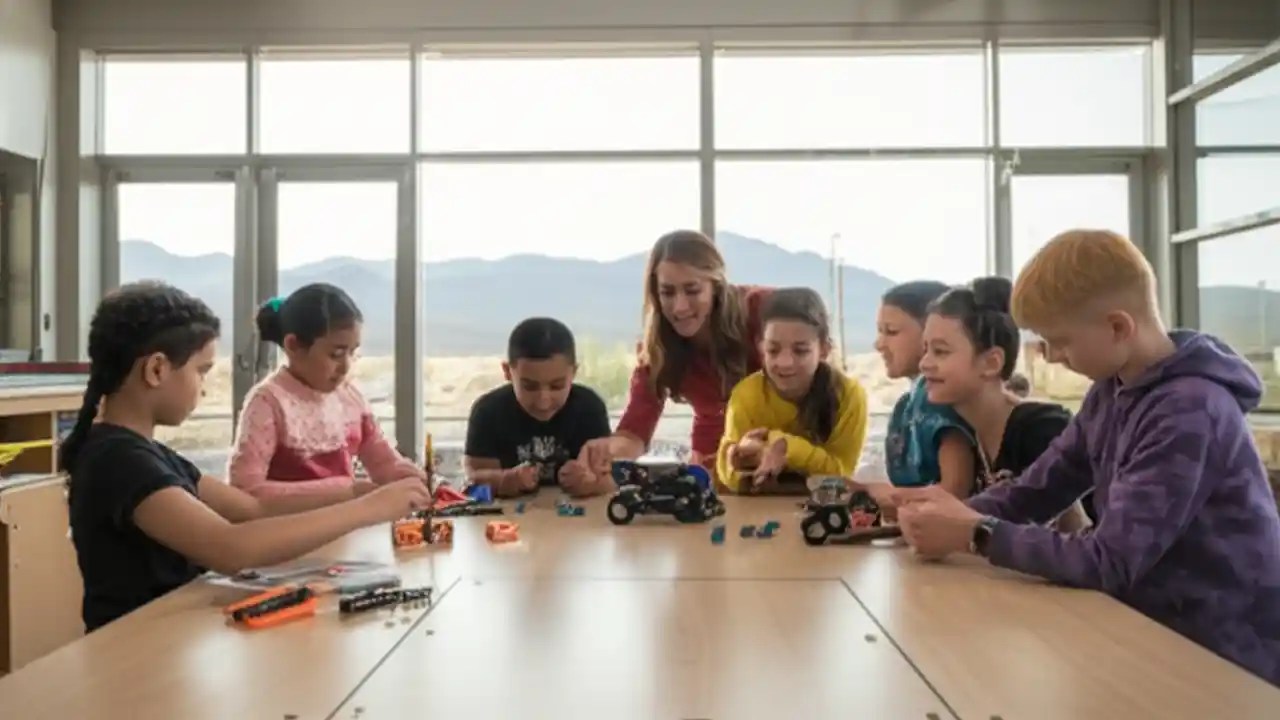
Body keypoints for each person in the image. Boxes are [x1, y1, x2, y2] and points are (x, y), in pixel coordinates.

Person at [894, 229, 1280, 687]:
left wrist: (975, 533)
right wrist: (945, 518)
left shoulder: (1190, 409)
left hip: (1220, 657)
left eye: (1061, 341)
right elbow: (1039, 488)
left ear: (1118, 327)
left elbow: (1109, 560)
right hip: (1146, 634)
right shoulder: (1110, 391)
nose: (1053, 357)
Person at [65, 282, 431, 632]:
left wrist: (360, 495)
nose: (204, 388)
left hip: (172, 633)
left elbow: (250, 508)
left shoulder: (150, 454)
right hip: (135, 649)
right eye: (201, 371)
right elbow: (230, 548)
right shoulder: (118, 460)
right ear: (156, 369)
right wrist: (368, 508)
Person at [581, 230, 773, 485]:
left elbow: (817, 386)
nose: (680, 306)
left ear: (716, 286)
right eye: (668, 293)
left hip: (780, 454)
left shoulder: (763, 310)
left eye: (692, 290)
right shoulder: (657, 347)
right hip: (712, 464)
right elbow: (635, 433)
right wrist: (606, 451)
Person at [919, 277, 1089, 531]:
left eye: (940, 352)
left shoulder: (1041, 429)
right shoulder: (966, 429)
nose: (924, 364)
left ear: (991, 363)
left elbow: (1073, 530)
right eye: (925, 350)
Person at [227, 284, 424, 499]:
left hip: (345, 525)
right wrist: (345, 491)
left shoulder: (350, 398)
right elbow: (245, 490)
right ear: (293, 346)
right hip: (286, 530)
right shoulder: (269, 402)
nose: (346, 366)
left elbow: (384, 463)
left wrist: (413, 478)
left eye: (352, 352)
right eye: (336, 354)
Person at [717, 288, 868, 494]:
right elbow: (729, 472)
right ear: (760, 347)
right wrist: (747, 458)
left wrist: (779, 444)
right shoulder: (746, 395)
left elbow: (841, 474)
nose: (785, 363)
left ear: (824, 349)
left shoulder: (849, 396)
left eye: (800, 351)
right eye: (773, 350)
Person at [464, 317, 613, 498]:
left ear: (574, 372)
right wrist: (506, 480)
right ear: (507, 372)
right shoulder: (488, 411)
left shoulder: (590, 408)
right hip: (507, 522)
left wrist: (590, 483)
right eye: (530, 387)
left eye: (557, 386)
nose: (544, 401)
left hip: (578, 521)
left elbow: (612, 482)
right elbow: (472, 484)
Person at [862, 281, 975, 514]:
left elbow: (954, 491)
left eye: (891, 332)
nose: (879, 344)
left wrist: (881, 496)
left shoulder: (937, 399)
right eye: (879, 331)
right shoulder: (908, 402)